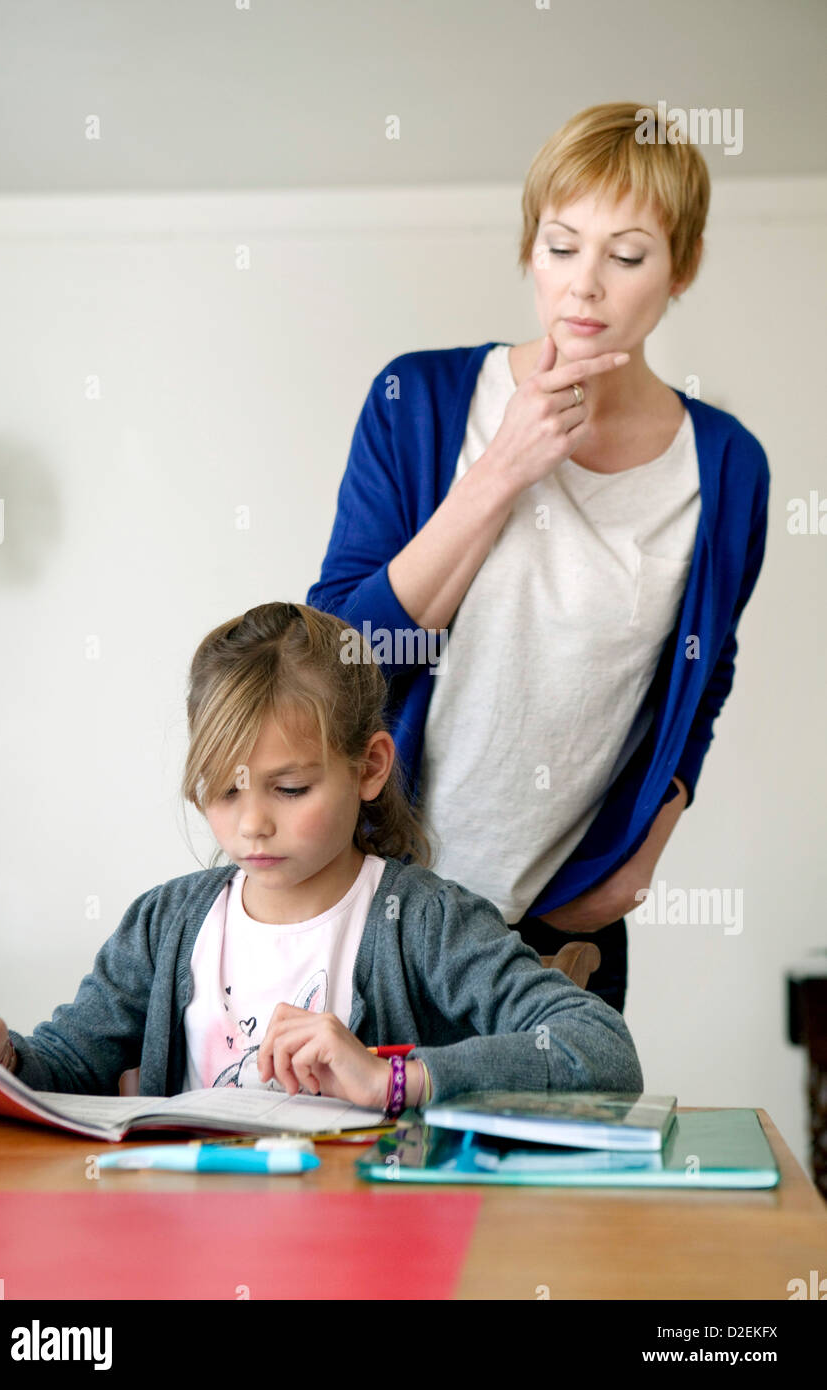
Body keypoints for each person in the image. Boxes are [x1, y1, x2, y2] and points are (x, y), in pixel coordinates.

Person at [306, 101, 770, 1015]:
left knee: (560, 1163)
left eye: (627, 255)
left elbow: (703, 672)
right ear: (529, 249)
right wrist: (502, 469)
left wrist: (643, 856)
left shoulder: (726, 468)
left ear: (684, 266)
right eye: (561, 247)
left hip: (566, 939)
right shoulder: (420, 400)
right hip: (379, 908)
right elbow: (335, 662)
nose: (584, 286)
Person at [0, 603, 643, 1108]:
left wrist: (395, 1079)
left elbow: (600, 1046)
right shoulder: (162, 925)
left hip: (365, 1254)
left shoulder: (425, 922)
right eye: (224, 789)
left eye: (290, 788)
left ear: (370, 767)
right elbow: (64, 1066)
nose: (253, 823)